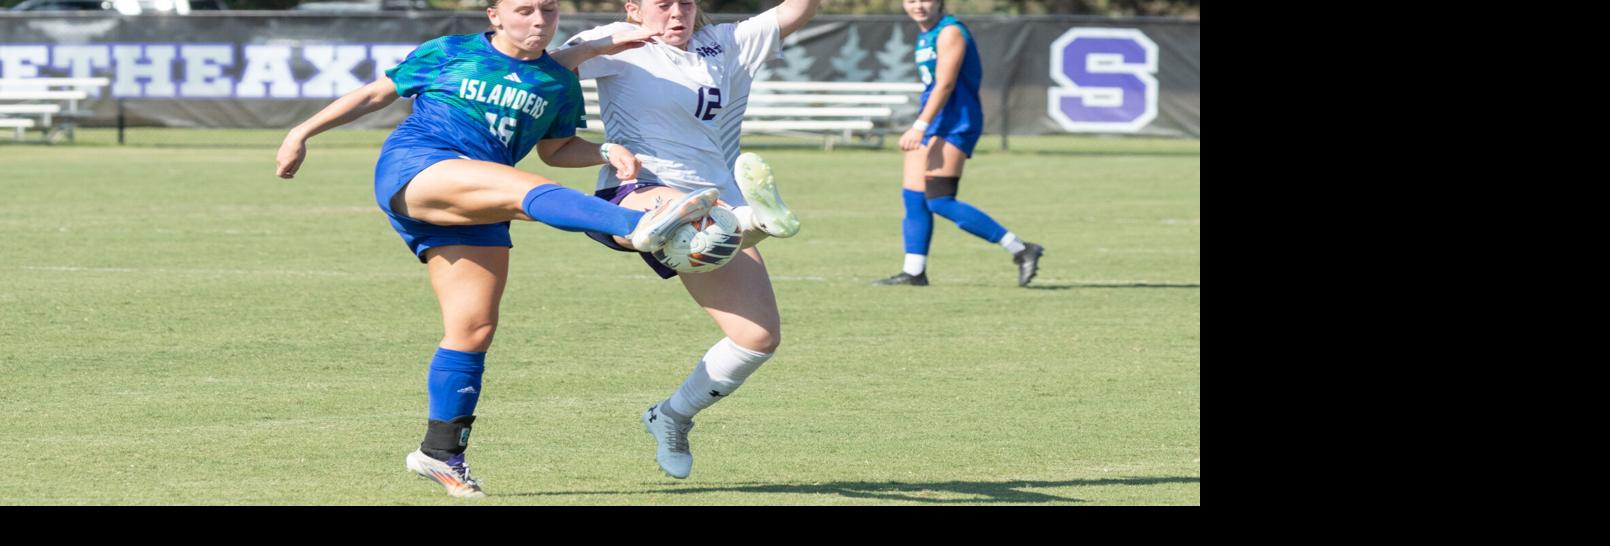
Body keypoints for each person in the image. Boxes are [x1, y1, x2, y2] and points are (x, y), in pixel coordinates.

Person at [274, 0, 719, 499]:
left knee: (473, 327)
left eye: (547, 10)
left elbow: (556, 148)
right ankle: (639, 224)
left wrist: (601, 149)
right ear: (494, 16)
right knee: (520, 189)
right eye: (523, 10)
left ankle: (440, 452)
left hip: (479, 200)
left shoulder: (556, 81)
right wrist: (301, 131)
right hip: (421, 166)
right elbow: (377, 93)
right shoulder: (452, 51)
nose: (537, 21)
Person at [555, 0, 822, 480]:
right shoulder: (617, 39)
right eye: (662, 4)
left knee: (757, 337)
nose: (677, 12)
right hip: (638, 186)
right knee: (682, 215)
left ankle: (671, 416)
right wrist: (597, 46)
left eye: (685, 2)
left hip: (712, 197)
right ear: (633, 8)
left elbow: (799, 10)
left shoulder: (728, 42)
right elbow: (543, 65)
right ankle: (741, 221)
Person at [875, 0, 1043, 288]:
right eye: (910, 0)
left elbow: (945, 84)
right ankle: (914, 271)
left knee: (940, 200)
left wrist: (919, 125)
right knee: (914, 196)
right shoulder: (926, 34)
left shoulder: (949, 31)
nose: (918, 5)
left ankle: (1022, 249)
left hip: (955, 123)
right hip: (935, 120)